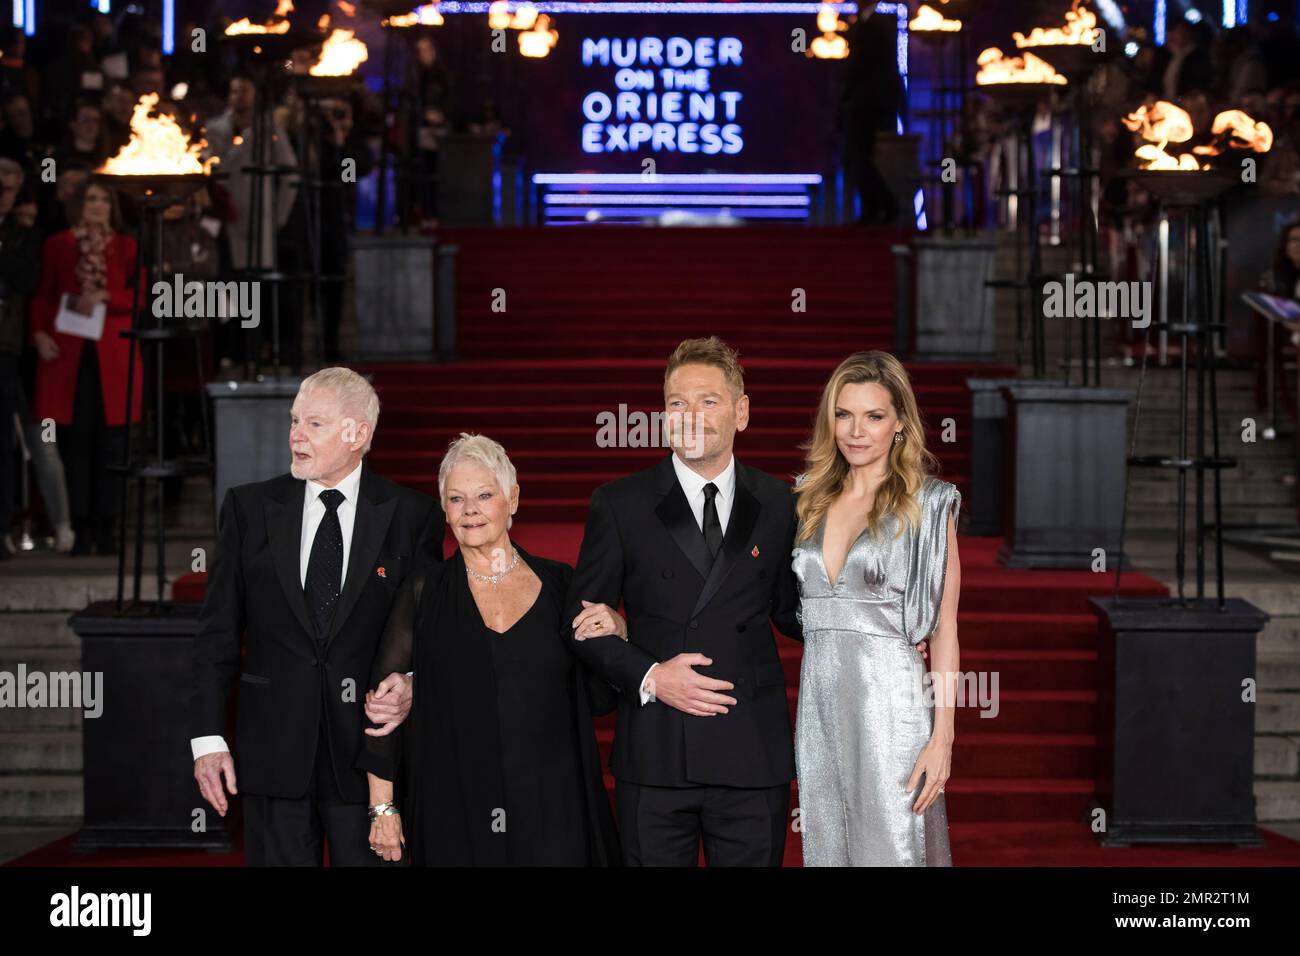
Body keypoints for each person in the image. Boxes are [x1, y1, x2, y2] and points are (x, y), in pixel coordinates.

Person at [189, 367, 444, 866]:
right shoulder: (249, 508)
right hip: (273, 755)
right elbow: (216, 633)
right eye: (294, 421)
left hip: (369, 761)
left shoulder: (412, 516)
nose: (295, 435)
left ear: (358, 434)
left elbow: (427, 632)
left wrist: (412, 683)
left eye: (315, 424)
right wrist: (208, 739)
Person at [563, 336, 802, 866]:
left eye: (708, 401)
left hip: (750, 751)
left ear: (741, 412)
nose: (690, 415)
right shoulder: (621, 503)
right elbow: (580, 622)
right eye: (677, 403)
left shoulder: (783, 504)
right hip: (656, 750)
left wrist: (881, 632)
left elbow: (794, 613)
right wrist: (650, 675)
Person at [358, 433, 622, 865]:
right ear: (444, 508)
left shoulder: (560, 585)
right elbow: (381, 709)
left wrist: (619, 630)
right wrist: (382, 807)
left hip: (553, 805)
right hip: (455, 802)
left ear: (512, 499)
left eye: (484, 495)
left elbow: (599, 695)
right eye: (456, 499)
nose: (470, 511)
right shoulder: (423, 591)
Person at [792, 351, 960, 866]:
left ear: (900, 424)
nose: (855, 431)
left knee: (893, 849)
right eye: (843, 414)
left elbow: (946, 629)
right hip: (819, 705)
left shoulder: (928, 504)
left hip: (892, 706)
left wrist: (943, 739)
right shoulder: (807, 498)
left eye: (873, 416)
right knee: (829, 845)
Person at [28, 179, 141, 556]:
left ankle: (108, 528)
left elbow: (141, 293)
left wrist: (109, 295)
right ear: (79, 205)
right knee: (76, 443)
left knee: (112, 444)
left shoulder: (126, 246)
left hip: (112, 354)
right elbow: (44, 294)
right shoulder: (58, 245)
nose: (96, 206)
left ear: (113, 207)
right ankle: (80, 527)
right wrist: (40, 334)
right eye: (90, 199)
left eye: (104, 200)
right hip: (70, 354)